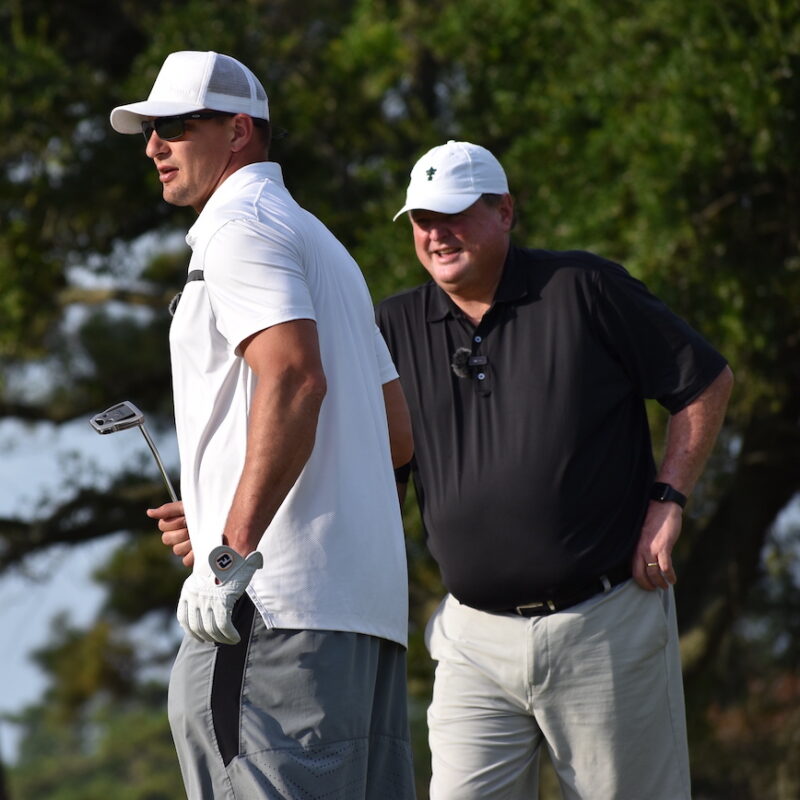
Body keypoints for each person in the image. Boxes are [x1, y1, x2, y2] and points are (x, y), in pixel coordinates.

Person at [375, 140, 734, 800]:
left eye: (453, 214)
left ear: (505, 211)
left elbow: (705, 381)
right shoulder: (392, 324)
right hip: (471, 638)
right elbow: (362, 461)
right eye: (422, 220)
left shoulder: (583, 287)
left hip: (603, 624)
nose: (436, 234)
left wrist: (668, 498)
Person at [109, 50, 416, 800]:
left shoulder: (238, 227)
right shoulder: (323, 244)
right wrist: (223, 509)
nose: (154, 146)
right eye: (150, 131)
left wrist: (230, 547)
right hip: (361, 618)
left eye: (176, 126)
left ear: (239, 131)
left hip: (271, 614)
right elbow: (395, 435)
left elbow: (292, 375)